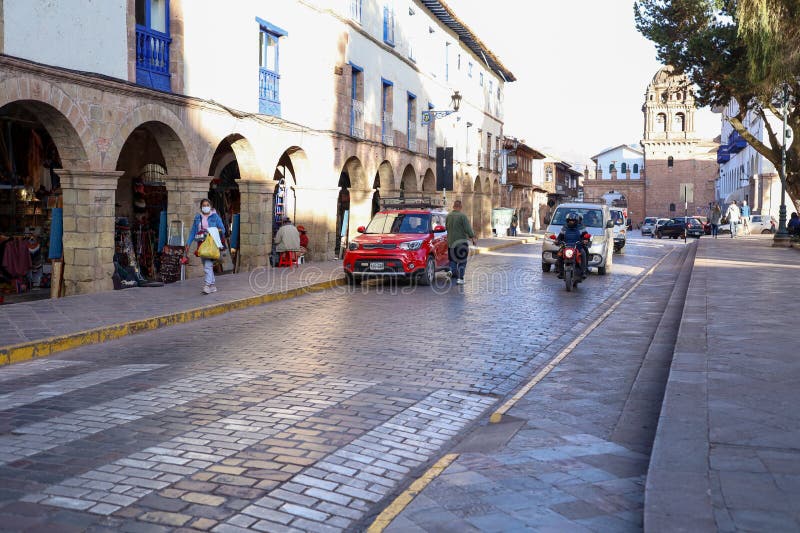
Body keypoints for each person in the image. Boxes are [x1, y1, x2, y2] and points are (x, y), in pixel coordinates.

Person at [186, 198, 226, 295]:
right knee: (206, 265)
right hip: (201, 244)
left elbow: (223, 229)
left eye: (207, 205)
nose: (205, 207)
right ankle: (212, 286)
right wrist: (188, 243)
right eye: (204, 205)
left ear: (211, 206)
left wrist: (211, 231)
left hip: (211, 244)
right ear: (201, 207)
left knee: (208, 265)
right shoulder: (197, 217)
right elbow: (193, 231)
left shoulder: (215, 217)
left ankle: (207, 285)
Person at [445, 200, 477, 285]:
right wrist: (472, 237)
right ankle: (460, 279)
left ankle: (451, 271)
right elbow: (468, 229)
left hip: (451, 243)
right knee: (462, 261)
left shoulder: (448, 216)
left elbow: (446, 228)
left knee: (452, 260)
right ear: (460, 207)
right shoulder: (462, 216)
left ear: (453, 206)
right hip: (461, 243)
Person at [556, 212, 590, 280]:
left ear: (576, 221)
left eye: (573, 221)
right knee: (559, 255)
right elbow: (560, 237)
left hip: (578, 246)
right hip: (566, 246)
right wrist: (557, 241)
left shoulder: (581, 228)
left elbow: (586, 236)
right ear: (567, 221)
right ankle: (561, 272)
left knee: (584, 253)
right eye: (570, 221)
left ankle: (583, 271)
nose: (571, 222)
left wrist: (585, 240)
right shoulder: (564, 228)